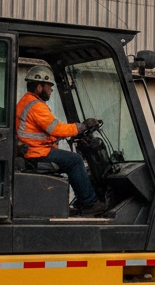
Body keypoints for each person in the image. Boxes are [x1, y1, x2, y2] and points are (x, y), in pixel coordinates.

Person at [16, 65, 107, 216]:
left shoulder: (25, 102)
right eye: (49, 86)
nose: (51, 90)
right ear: (39, 86)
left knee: (73, 161)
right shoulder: (36, 106)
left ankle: (82, 200)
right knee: (75, 160)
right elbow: (56, 128)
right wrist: (81, 127)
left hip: (33, 149)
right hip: (37, 152)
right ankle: (89, 203)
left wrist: (63, 134)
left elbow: (42, 131)